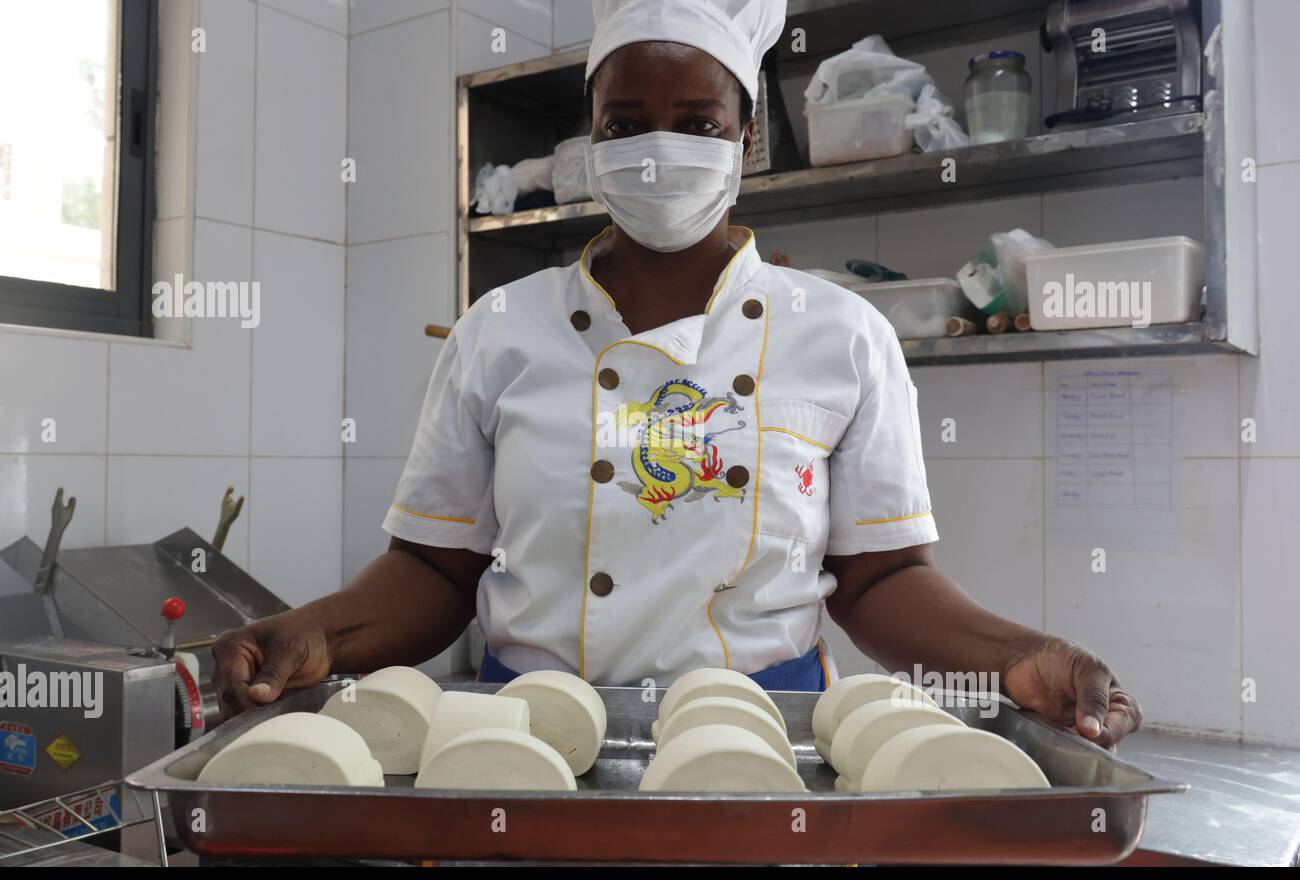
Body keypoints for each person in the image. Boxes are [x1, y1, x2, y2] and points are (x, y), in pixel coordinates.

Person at [213, 0, 1141, 750]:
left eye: (697, 123)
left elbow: (883, 579)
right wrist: (322, 634)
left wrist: (1020, 654)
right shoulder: (499, 332)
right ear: (593, 139)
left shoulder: (844, 336)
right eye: (626, 123)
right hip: (523, 747)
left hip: (765, 745)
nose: (658, 149)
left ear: (744, 142)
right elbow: (433, 568)